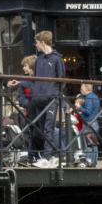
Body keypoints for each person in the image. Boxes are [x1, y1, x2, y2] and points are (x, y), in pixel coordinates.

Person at [31, 30, 66, 165]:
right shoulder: (38, 59)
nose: (36, 45)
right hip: (38, 99)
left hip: (51, 98)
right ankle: (51, 156)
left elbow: (61, 80)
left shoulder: (57, 59)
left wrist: (56, 95)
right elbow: (35, 79)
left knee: (49, 128)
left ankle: (47, 157)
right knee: (41, 130)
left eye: (37, 43)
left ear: (42, 42)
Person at [75, 81, 102, 166]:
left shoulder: (89, 97)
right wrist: (82, 113)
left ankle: (89, 162)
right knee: (93, 144)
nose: (80, 90)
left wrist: (80, 107)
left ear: (86, 88)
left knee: (89, 145)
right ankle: (94, 162)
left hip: (89, 124)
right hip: (94, 123)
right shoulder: (94, 96)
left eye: (81, 88)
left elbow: (88, 111)